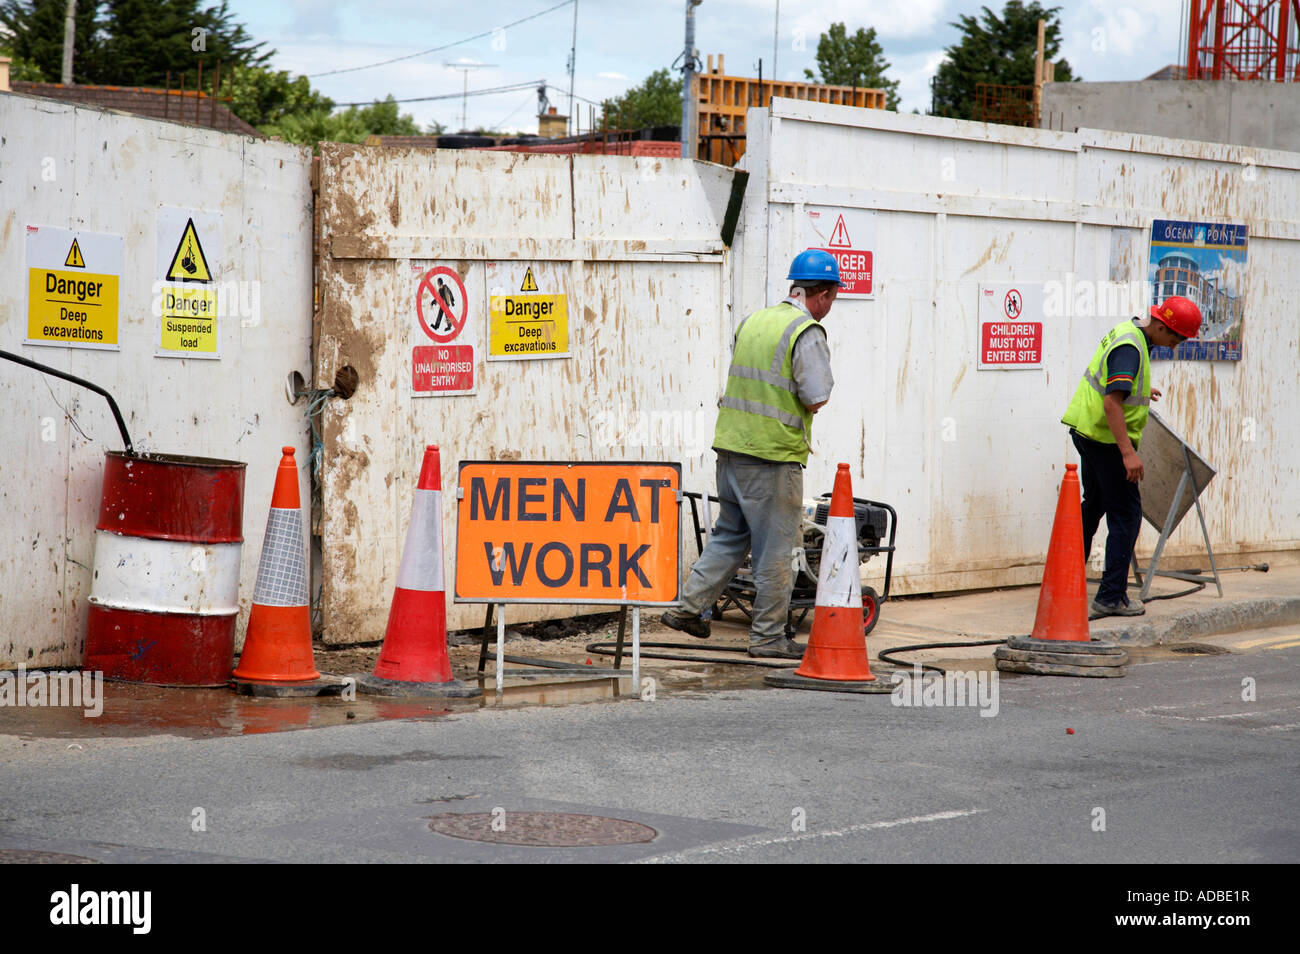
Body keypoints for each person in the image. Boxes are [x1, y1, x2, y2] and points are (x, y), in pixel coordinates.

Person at [662, 249, 841, 658]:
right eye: (832, 298)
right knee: (778, 548)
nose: (830, 305)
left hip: (731, 448)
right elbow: (817, 396)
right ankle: (767, 638)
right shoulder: (806, 331)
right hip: (772, 456)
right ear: (824, 295)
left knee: (730, 535)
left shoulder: (754, 321)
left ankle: (688, 609)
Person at [1061, 295, 1202, 617]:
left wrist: (1139, 392)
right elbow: (1112, 403)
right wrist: (1128, 454)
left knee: (1094, 505)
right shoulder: (1131, 347)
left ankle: (1067, 579)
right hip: (1106, 440)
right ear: (1162, 326)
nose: (1174, 346)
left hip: (1087, 431)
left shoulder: (1131, 332)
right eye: (1175, 338)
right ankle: (1110, 596)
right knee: (1126, 516)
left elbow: (1116, 387)